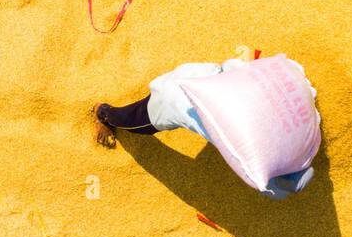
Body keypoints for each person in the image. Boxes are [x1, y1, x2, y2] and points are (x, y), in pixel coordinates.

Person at [94, 59, 315, 199]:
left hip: (201, 71)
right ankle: (103, 114)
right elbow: (266, 186)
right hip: (172, 99)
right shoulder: (252, 145)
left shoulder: (274, 126)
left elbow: (238, 66)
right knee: (134, 120)